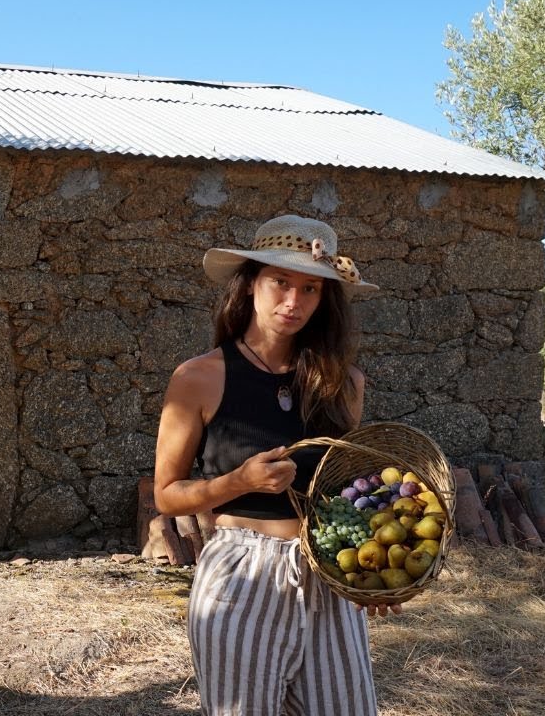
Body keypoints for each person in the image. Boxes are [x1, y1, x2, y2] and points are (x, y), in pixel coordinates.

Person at [154, 214, 398, 716]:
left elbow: (342, 499)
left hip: (325, 571)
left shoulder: (344, 383)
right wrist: (236, 482)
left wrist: (373, 573)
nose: (293, 301)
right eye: (280, 282)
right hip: (240, 576)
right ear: (250, 285)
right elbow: (167, 494)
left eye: (310, 288)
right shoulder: (199, 377)